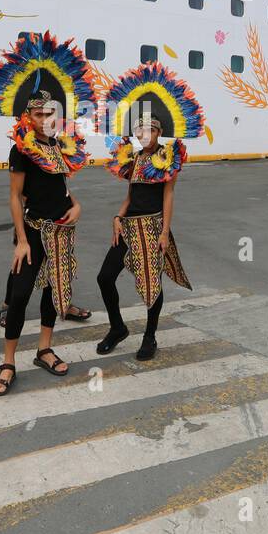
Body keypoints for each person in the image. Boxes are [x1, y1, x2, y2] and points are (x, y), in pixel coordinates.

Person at [0, 32, 95, 397]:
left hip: (62, 232)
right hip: (33, 232)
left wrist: (76, 204)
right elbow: (15, 197)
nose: (45, 119)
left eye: (50, 114)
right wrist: (22, 241)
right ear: (28, 115)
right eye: (39, 114)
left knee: (53, 294)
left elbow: (59, 187)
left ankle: (44, 350)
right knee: (22, 294)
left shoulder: (62, 148)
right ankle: (8, 362)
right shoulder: (22, 151)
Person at [95, 62, 203, 361]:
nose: (144, 133)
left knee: (151, 283)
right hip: (127, 227)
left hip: (153, 227)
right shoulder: (133, 158)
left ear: (159, 132)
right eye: (139, 129)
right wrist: (118, 217)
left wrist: (165, 232)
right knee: (104, 278)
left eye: (150, 129)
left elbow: (168, 195)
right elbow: (131, 194)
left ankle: (150, 335)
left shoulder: (168, 158)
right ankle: (118, 328)